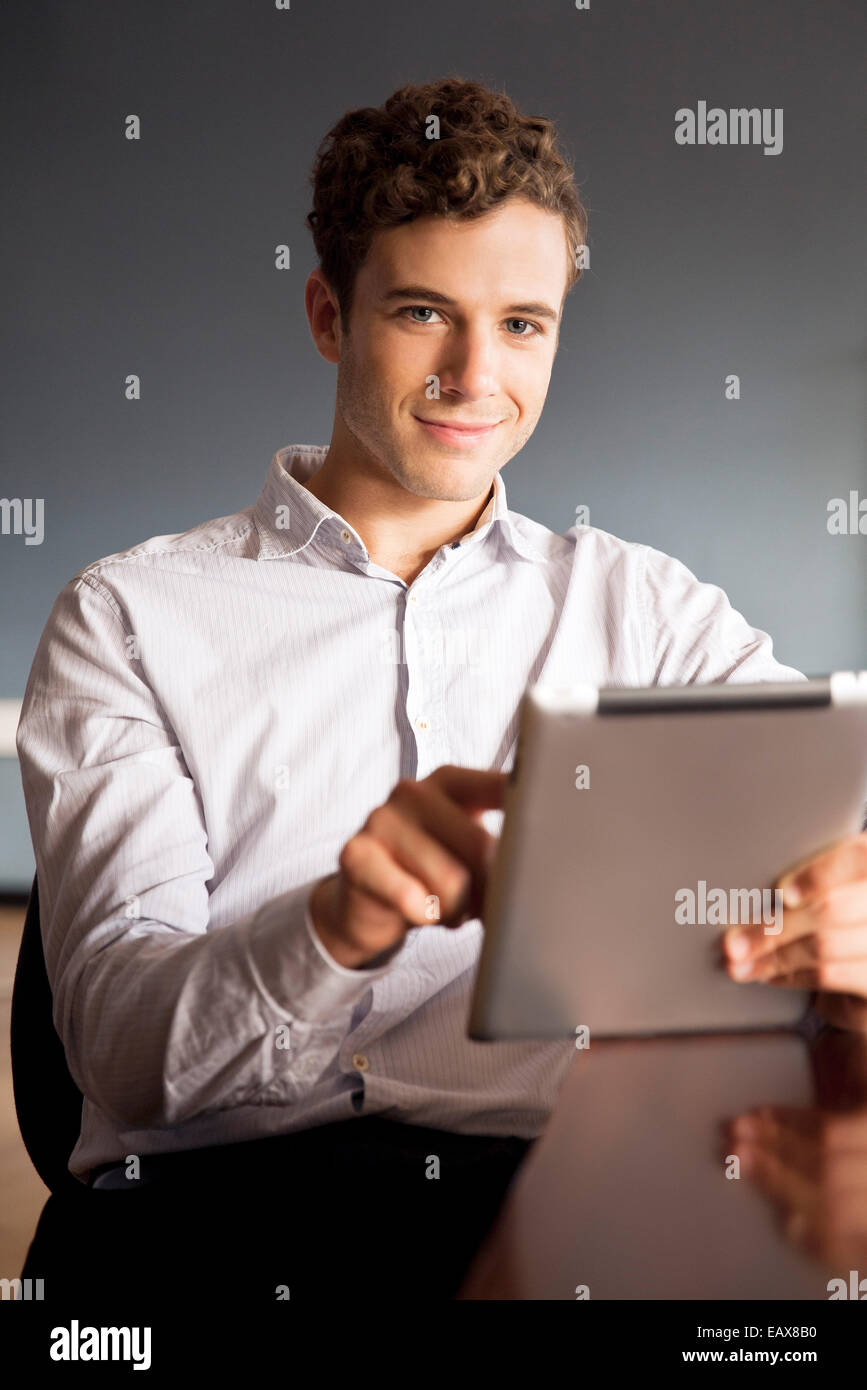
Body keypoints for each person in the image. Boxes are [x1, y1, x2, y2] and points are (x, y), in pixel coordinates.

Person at [16, 76, 867, 1307]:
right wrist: (332, 926)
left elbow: (831, 824)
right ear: (328, 314)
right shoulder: (128, 616)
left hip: (559, 1212)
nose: (478, 372)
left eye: (524, 323)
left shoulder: (652, 610)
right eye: (424, 311)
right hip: (216, 1232)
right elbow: (119, 1051)